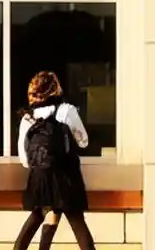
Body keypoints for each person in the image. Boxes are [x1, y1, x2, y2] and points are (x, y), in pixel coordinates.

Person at [11, 71, 97, 250]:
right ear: (55, 89)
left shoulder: (28, 117)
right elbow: (83, 142)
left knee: (36, 218)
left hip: (39, 178)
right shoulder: (67, 110)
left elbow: (24, 160)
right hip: (65, 176)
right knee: (77, 222)